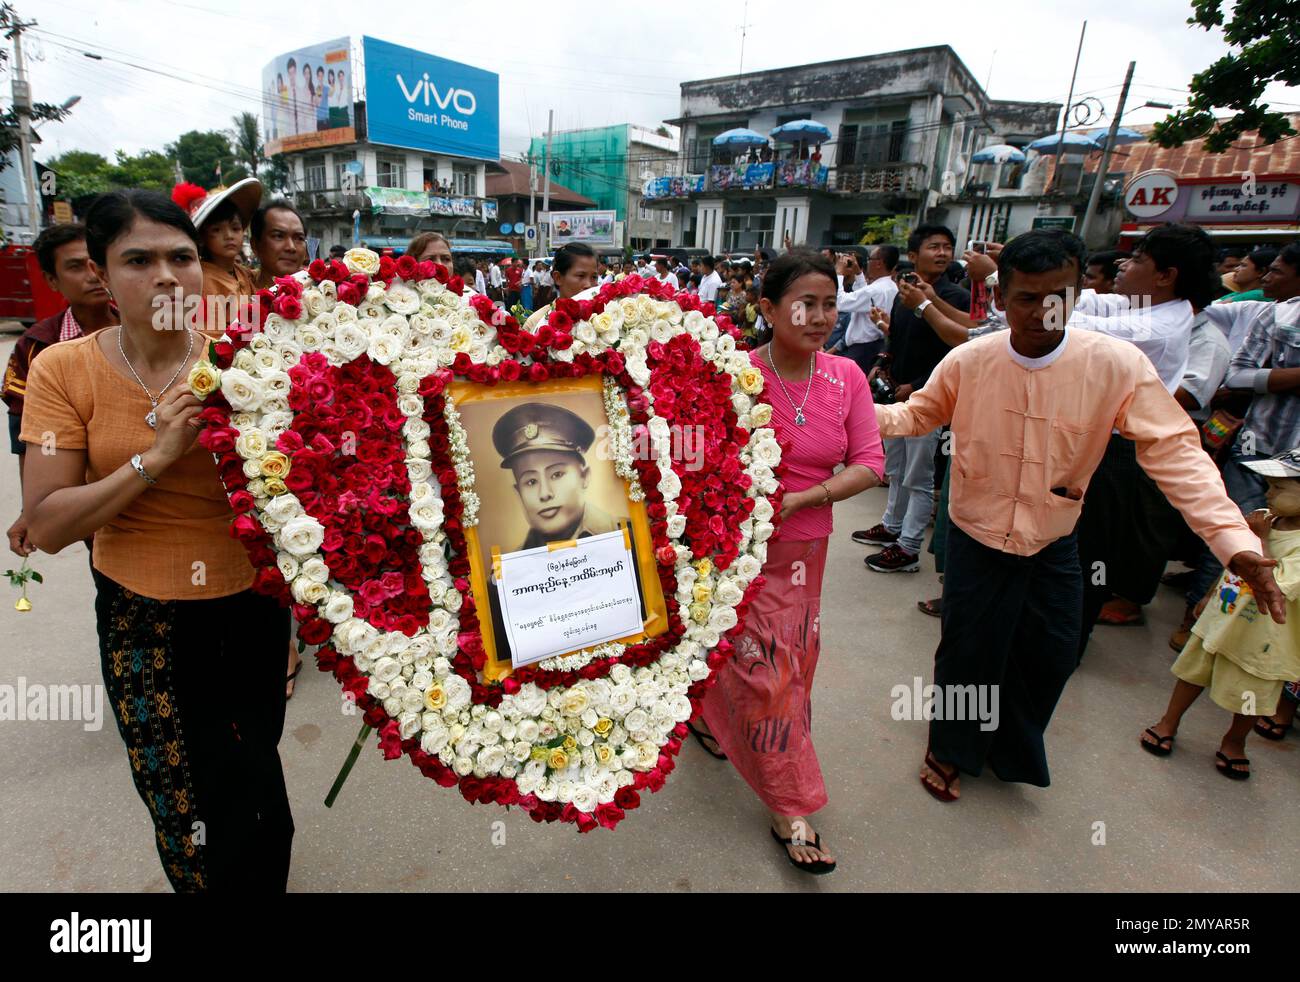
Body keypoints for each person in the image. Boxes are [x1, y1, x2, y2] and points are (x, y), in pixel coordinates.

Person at [875, 228, 1282, 802]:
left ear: (1076, 295)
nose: (1044, 312)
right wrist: (842, 413)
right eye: (1025, 298)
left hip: (1055, 538)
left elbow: (1176, 452)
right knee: (971, 651)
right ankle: (952, 747)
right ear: (1000, 298)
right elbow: (915, 417)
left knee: (1053, 651)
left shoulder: (1115, 365)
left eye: (1058, 297)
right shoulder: (970, 360)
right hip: (976, 533)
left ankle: (1011, 749)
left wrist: (1233, 541)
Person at [19, 189, 294, 890]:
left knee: (259, 792)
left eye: (181, 258)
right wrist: (155, 457)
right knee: (185, 806)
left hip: (252, 606)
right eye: (139, 260)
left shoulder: (249, 356)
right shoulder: (62, 369)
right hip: (144, 618)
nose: (168, 278)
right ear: (103, 276)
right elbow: (47, 523)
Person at [692, 249, 882, 874]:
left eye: (830, 303)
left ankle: (719, 723)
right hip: (736, 549)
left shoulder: (847, 377)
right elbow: (695, 456)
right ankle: (790, 806)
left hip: (805, 551)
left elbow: (870, 463)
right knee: (763, 671)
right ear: (767, 308)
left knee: (788, 670)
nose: (821, 315)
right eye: (806, 303)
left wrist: (805, 496)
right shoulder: (735, 374)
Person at [1071, 224, 1215, 652]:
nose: (1123, 264)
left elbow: (1069, 322)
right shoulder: (1151, 306)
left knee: (1087, 548)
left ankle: (1068, 642)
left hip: (1116, 446)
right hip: (1101, 438)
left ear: (1165, 275)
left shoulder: (1157, 327)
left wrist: (1009, 285)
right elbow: (1097, 303)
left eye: (1137, 259)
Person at [1142, 448, 1300, 780]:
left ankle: (1234, 741)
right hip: (1223, 613)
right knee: (1193, 669)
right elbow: (1235, 557)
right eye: (1268, 484)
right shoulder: (1264, 517)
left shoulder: (1278, 534)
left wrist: (1262, 539)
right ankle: (1169, 721)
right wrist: (1211, 594)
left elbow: (1278, 584)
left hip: (1262, 636)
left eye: (1280, 487)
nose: (1268, 493)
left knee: (1251, 692)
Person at [856, 224, 967, 573]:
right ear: (914, 255)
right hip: (899, 396)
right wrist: (883, 363)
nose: (943, 253)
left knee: (919, 477)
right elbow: (899, 339)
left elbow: (956, 351)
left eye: (947, 247)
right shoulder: (907, 294)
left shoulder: (955, 298)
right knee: (897, 468)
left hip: (928, 400)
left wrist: (918, 384)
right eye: (934, 246)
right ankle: (892, 525)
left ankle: (909, 547)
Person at [4, 223, 118, 557]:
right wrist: (32, 508)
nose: (91, 275)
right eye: (74, 266)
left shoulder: (145, 326)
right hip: (89, 496)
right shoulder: (36, 346)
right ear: (52, 281)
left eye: (94, 262)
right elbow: (27, 437)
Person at [171, 178, 263, 337]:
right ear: (201, 237)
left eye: (235, 228)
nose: (229, 236)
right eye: (216, 230)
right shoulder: (200, 280)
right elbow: (207, 337)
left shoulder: (245, 274)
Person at [832, 246, 899, 376]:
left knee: (847, 390)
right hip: (876, 345)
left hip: (862, 349)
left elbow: (840, 302)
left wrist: (839, 273)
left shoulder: (875, 290)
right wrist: (858, 273)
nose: (867, 262)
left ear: (879, 263)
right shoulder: (891, 287)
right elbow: (864, 300)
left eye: (870, 259)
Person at [523, 243, 599, 330]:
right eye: (581, 276)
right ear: (558, 278)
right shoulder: (536, 322)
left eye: (594, 277)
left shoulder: (606, 319)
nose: (588, 285)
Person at [250, 200, 307, 290]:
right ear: (255, 245)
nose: (291, 247)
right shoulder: (239, 292)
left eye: (299, 238)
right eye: (278, 236)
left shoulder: (323, 292)